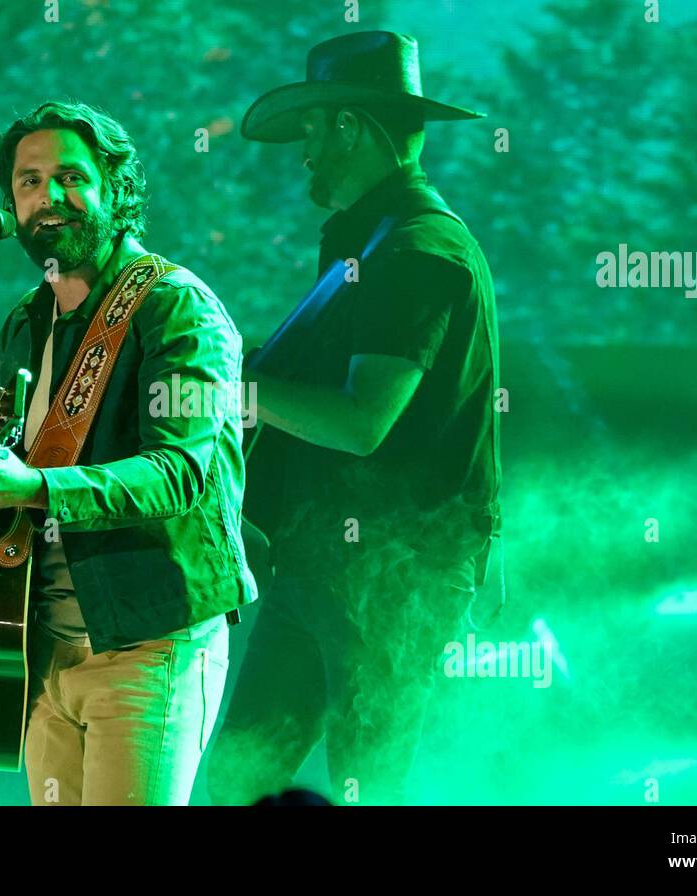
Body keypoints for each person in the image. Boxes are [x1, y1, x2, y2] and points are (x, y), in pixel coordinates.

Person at [0, 101, 256, 806]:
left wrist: (34, 489)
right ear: (11, 201)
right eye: (29, 181)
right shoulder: (28, 319)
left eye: (72, 176)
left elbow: (182, 472)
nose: (48, 196)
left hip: (148, 646)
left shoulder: (176, 308)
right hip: (36, 644)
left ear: (114, 191)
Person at [209, 31, 502, 806]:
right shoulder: (372, 244)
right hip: (323, 570)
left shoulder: (418, 249)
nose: (302, 152)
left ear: (349, 124)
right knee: (237, 782)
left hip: (390, 579)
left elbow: (363, 420)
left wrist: (228, 390)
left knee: (363, 788)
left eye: (311, 128)